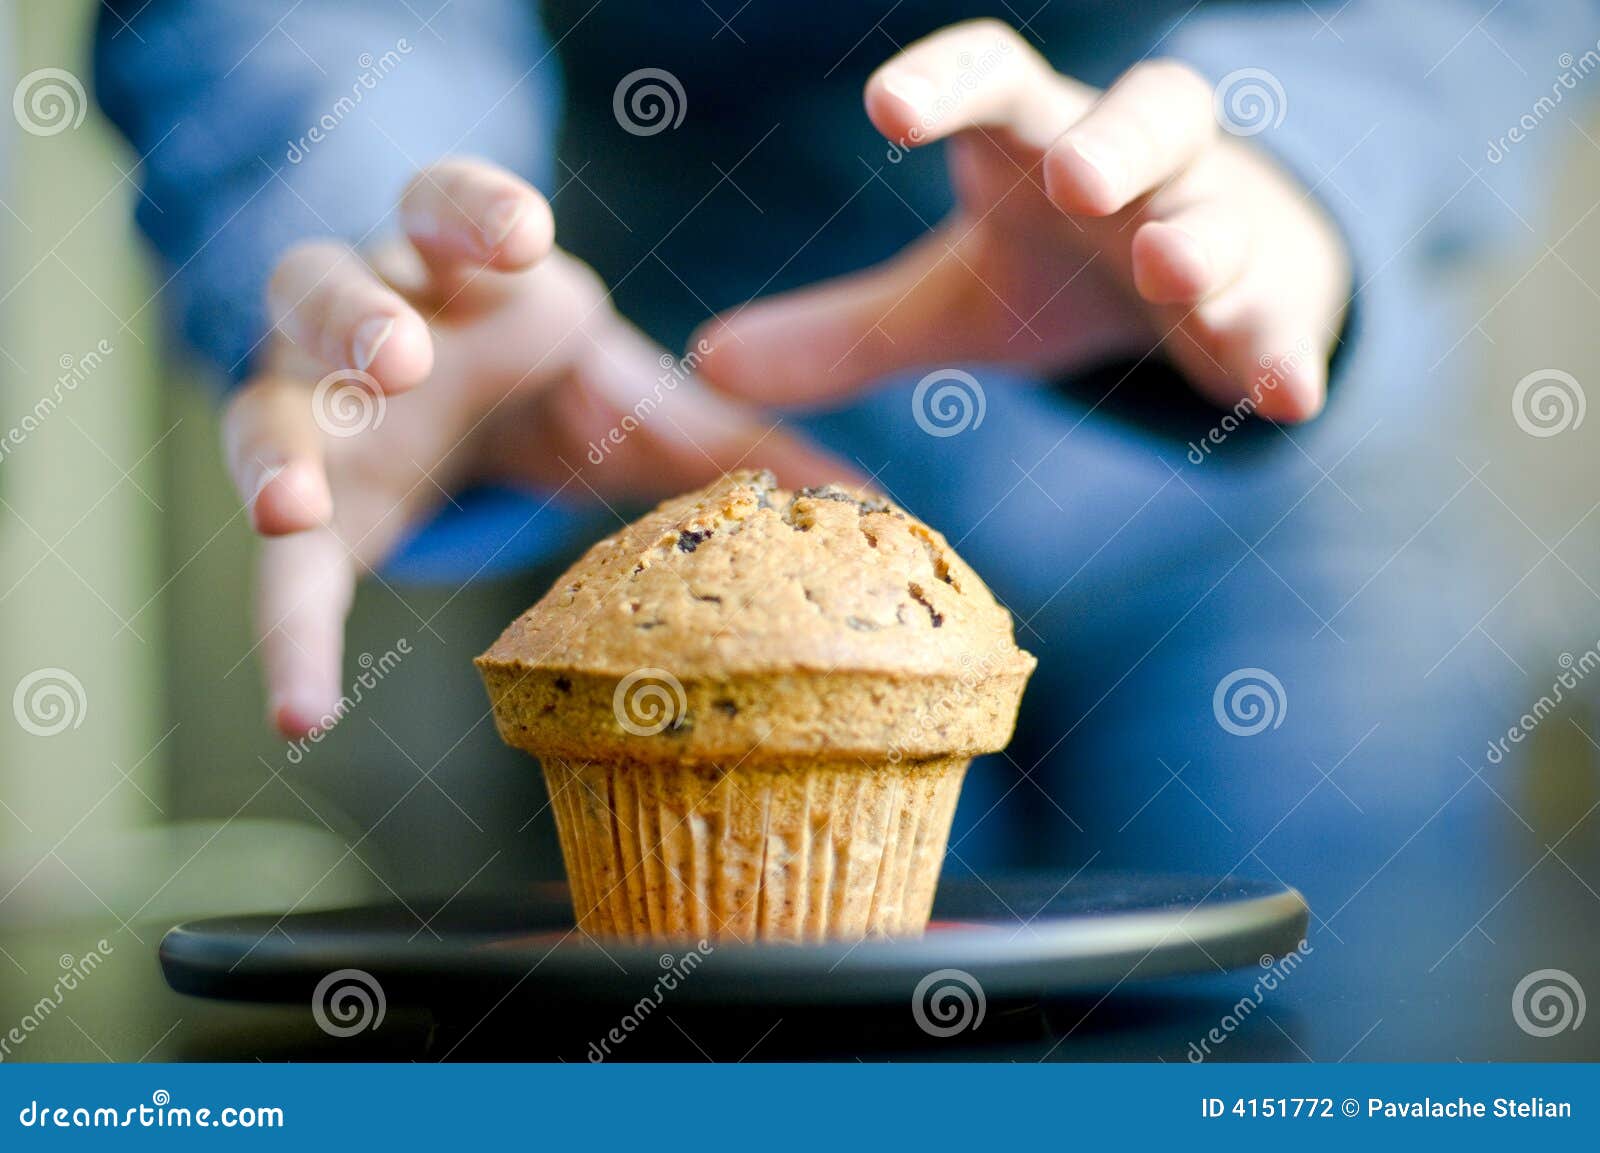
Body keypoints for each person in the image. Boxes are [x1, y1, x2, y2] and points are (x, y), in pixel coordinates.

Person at [93, 0, 1593, 912]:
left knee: (1308, 1064)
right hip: (654, 455)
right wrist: (371, 233)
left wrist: (1298, 155)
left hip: (1263, 474)